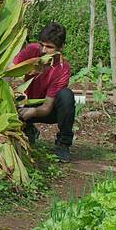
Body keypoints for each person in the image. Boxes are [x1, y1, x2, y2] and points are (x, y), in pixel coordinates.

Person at [13, 22, 75, 162]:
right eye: (42, 45)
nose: (44, 50)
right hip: (26, 102)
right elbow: (10, 69)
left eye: (50, 47)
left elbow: (46, 107)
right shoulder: (31, 50)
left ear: (61, 47)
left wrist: (33, 112)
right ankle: (28, 129)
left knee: (66, 96)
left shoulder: (62, 68)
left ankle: (63, 143)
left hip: (48, 109)